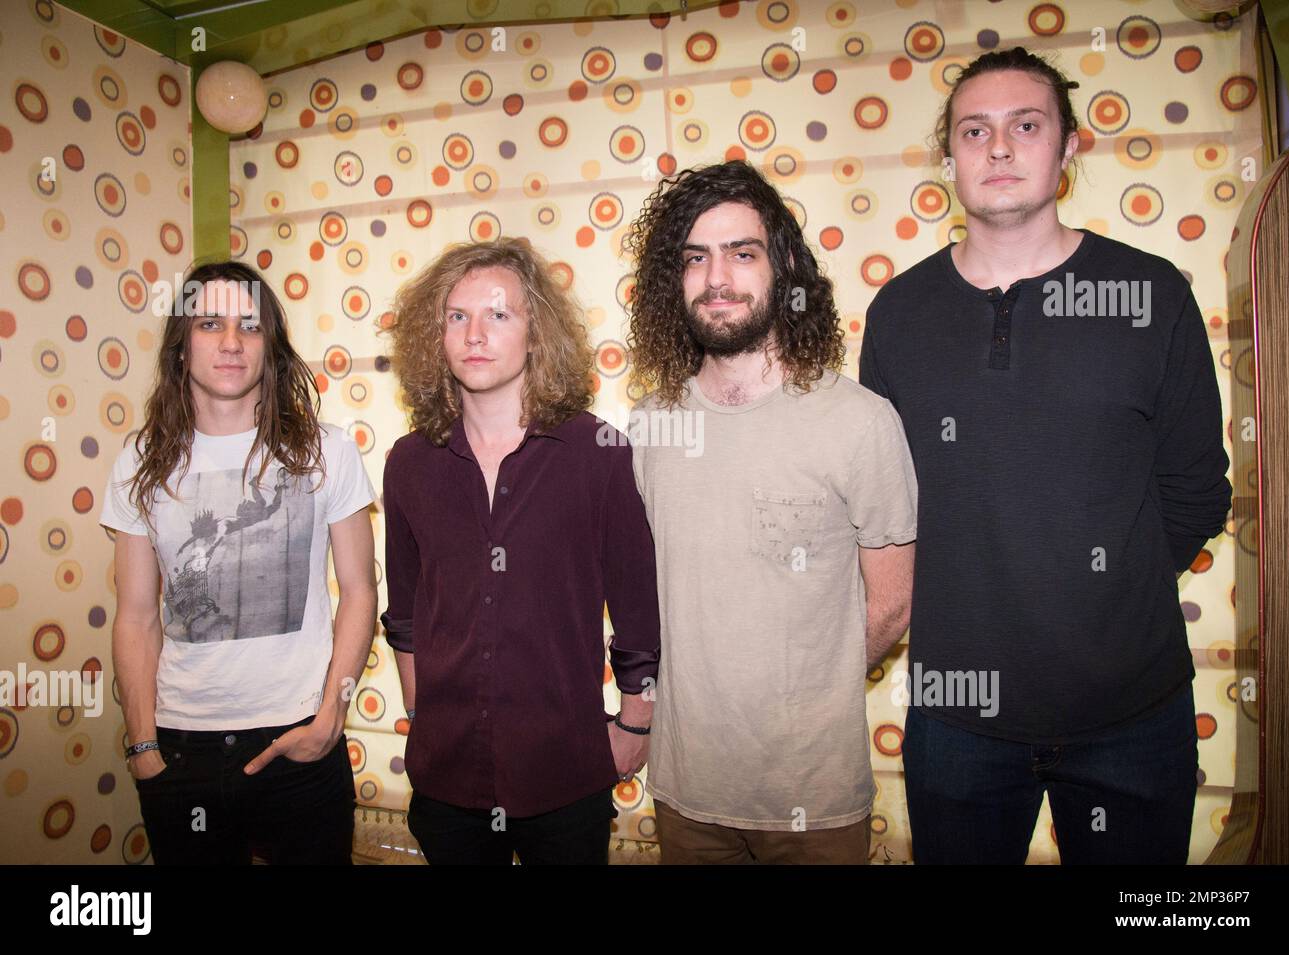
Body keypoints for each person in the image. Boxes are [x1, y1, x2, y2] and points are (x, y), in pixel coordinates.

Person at [858, 47, 1232, 864]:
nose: (998, 148)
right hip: (958, 725)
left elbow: (1197, 491)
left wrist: (1104, 589)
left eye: (1026, 126)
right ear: (949, 158)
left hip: (1135, 716)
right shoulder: (899, 315)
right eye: (973, 131)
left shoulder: (1152, 293)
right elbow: (888, 508)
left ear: (1067, 150)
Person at [624, 159, 917, 864]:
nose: (717, 277)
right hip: (685, 793)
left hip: (812, 801)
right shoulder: (648, 427)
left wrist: (801, 696)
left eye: (741, 253)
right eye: (695, 258)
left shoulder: (861, 422)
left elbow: (892, 607)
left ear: (784, 265)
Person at [380, 237, 660, 865]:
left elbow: (638, 609)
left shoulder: (599, 451)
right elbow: (405, 616)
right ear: (436, 333)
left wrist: (635, 723)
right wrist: (421, 713)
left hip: (566, 777)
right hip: (446, 780)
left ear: (536, 333)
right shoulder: (409, 463)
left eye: (498, 315)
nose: (474, 333)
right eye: (458, 316)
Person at [102, 260, 377, 864]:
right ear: (181, 345)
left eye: (250, 326)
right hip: (179, 754)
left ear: (270, 346)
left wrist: (332, 714)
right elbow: (136, 616)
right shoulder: (138, 462)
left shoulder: (326, 450)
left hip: (300, 742)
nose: (231, 341)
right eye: (210, 324)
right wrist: (143, 746)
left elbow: (360, 593)